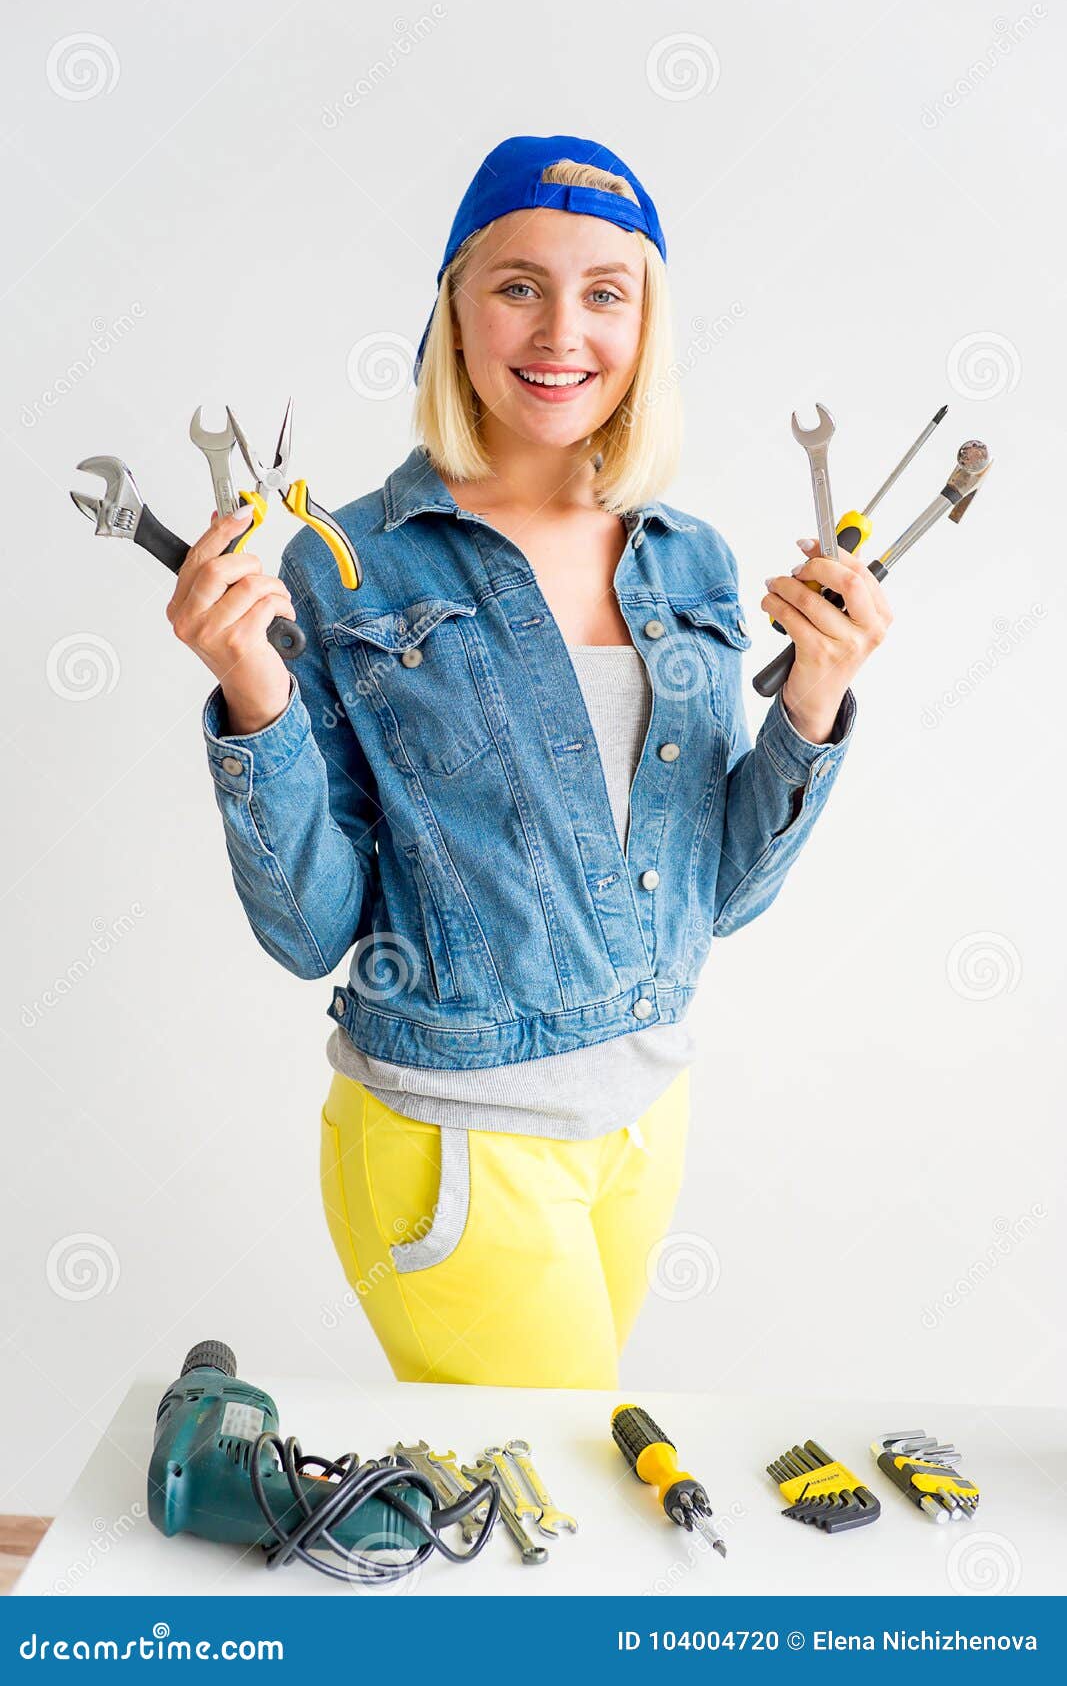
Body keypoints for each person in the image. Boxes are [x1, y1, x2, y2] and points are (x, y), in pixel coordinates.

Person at [171, 134, 891, 1389]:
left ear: (645, 323)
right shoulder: (349, 566)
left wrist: (815, 694)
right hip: (452, 1135)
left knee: (542, 1532)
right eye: (518, 284)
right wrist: (253, 693)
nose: (561, 330)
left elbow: (715, 895)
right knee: (547, 1544)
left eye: (604, 291)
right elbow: (310, 927)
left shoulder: (689, 562)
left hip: (641, 1118)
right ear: (453, 305)